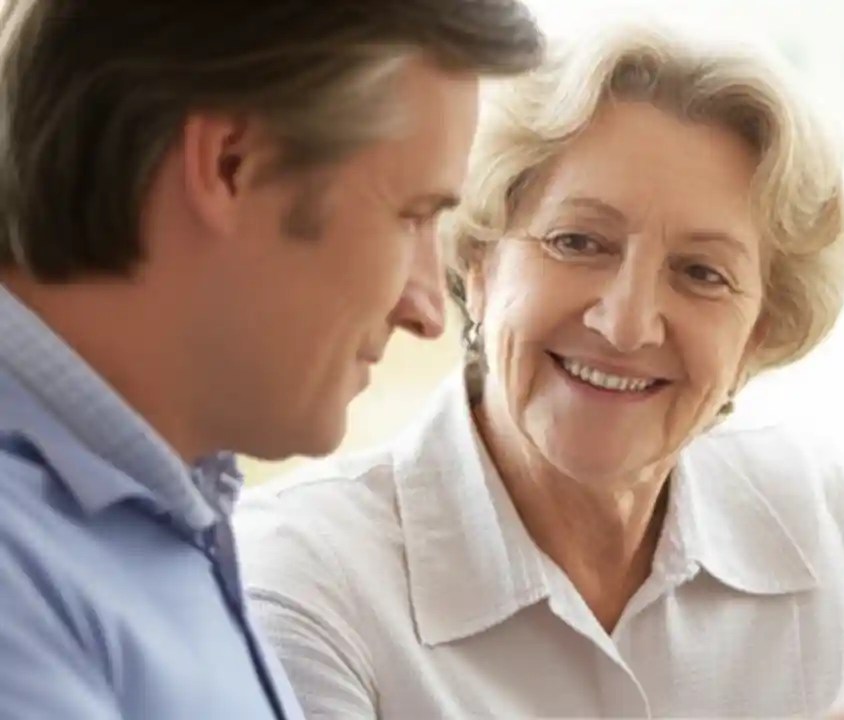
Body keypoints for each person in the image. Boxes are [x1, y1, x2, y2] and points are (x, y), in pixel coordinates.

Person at [237, 22, 844, 719]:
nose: (626, 323)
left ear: (758, 333)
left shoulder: (817, 518)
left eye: (700, 273)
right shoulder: (306, 576)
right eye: (578, 242)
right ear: (481, 258)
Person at [0, 2, 541, 718]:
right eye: (411, 216)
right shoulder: (25, 584)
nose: (427, 309)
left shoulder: (165, 519)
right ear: (231, 165)